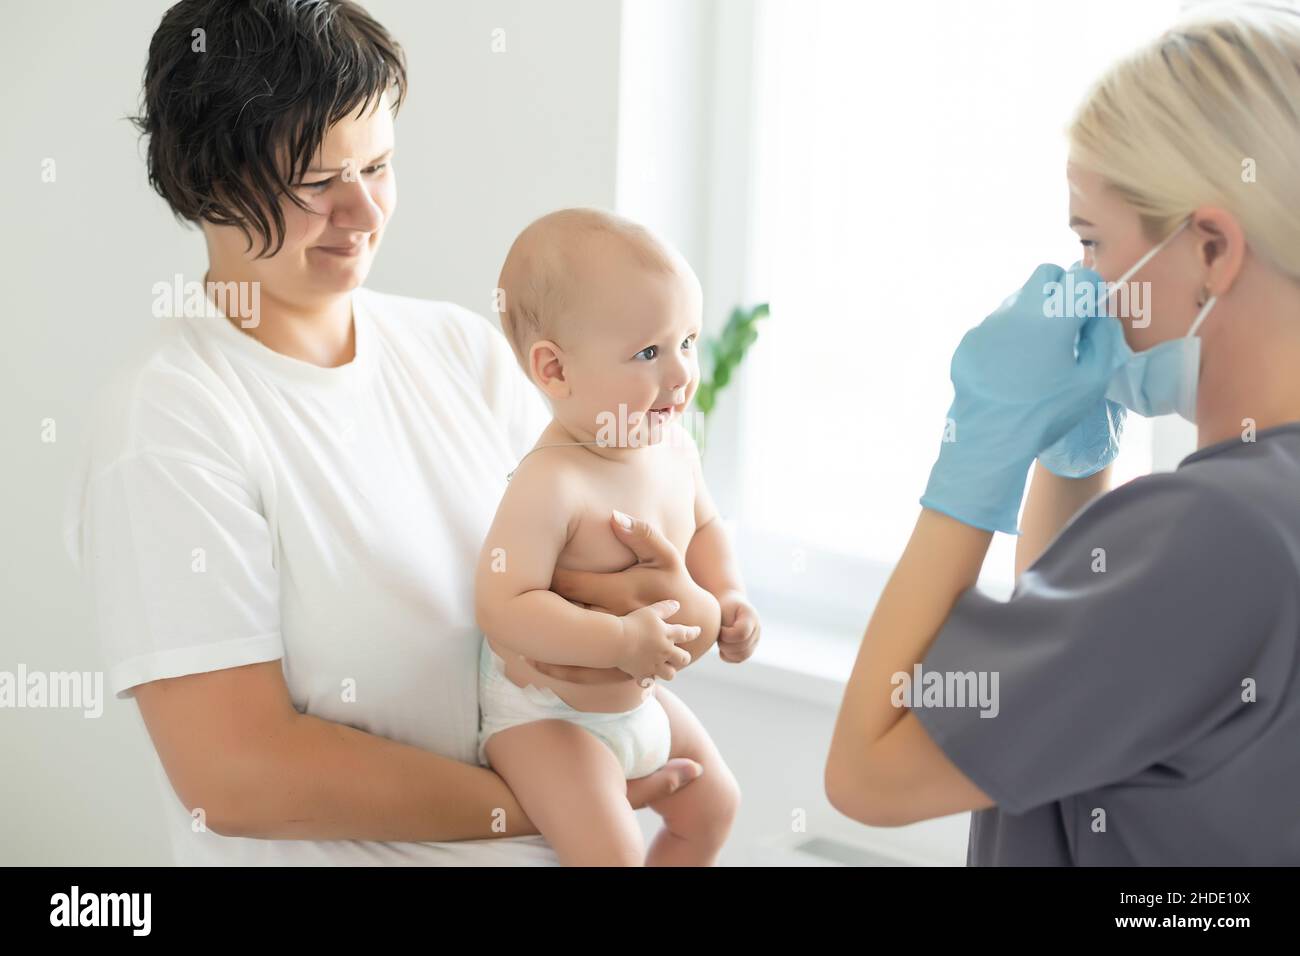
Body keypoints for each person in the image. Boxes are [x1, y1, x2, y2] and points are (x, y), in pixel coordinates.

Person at [65, 0, 750, 866]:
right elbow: (237, 776)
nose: (362, 213)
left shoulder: (460, 350)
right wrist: (558, 805)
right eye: (317, 182)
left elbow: (592, 588)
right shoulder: (169, 424)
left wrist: (673, 606)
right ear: (209, 181)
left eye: (378, 166)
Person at [825, 0, 1300, 865]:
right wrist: (1077, 443)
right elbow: (1069, 681)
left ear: (1210, 251)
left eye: (1091, 241)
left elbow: (868, 769)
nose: (1087, 280)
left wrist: (978, 459)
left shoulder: (1212, 529)